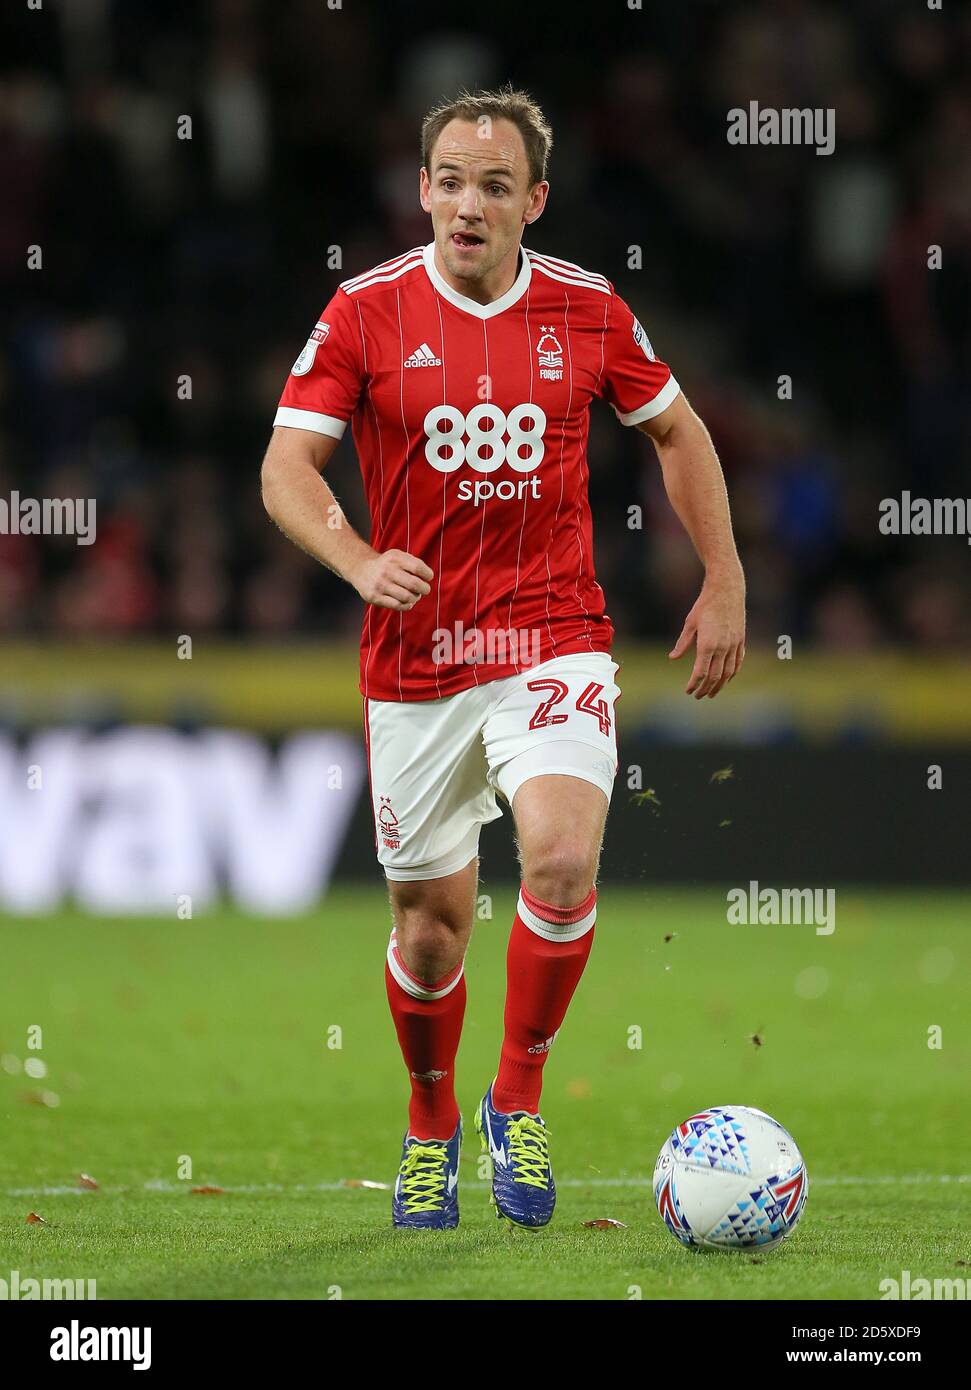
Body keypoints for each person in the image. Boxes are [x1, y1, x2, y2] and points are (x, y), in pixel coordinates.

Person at [261, 86, 746, 1229]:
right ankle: (430, 1123)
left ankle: (514, 1096)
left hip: (550, 637)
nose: (463, 204)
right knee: (430, 934)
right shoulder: (365, 310)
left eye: (490, 185)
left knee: (561, 861)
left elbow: (676, 430)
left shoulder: (586, 309)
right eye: (445, 179)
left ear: (533, 200)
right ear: (421, 188)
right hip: (416, 661)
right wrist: (355, 556)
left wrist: (722, 576)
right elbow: (288, 469)